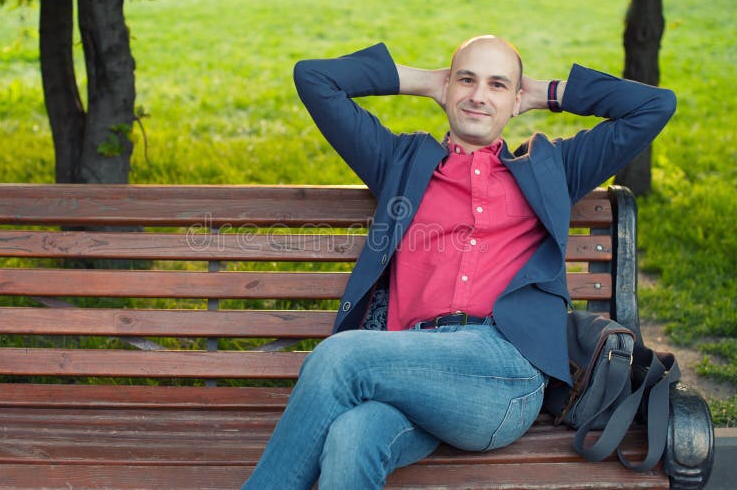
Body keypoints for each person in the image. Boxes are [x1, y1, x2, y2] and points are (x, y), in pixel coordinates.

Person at [242, 36, 676, 489]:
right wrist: (425, 81)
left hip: (502, 372)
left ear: (516, 100)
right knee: (354, 436)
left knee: (340, 358)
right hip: (410, 365)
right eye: (466, 80)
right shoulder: (400, 161)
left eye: (497, 85)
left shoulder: (554, 168)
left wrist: (549, 92)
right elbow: (314, 78)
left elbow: (655, 105)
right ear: (447, 89)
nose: (478, 95)